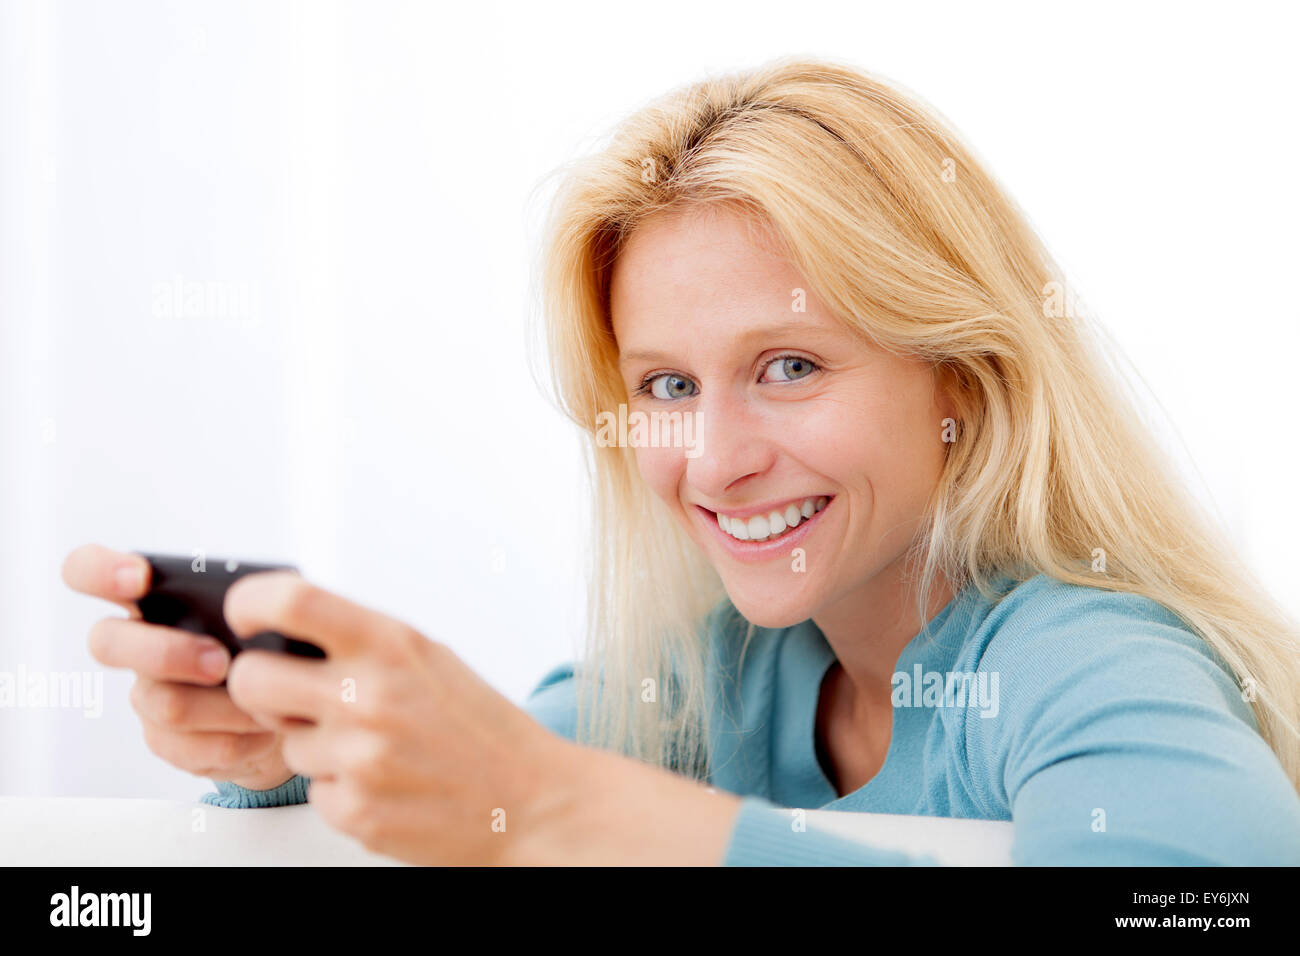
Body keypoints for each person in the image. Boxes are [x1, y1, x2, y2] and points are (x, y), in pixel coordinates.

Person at [62, 56, 1300, 865]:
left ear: (959, 390)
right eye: (665, 385)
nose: (710, 459)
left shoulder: (1084, 660)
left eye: (789, 367)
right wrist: (301, 748)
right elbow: (485, 785)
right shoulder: (710, 673)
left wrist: (566, 809)